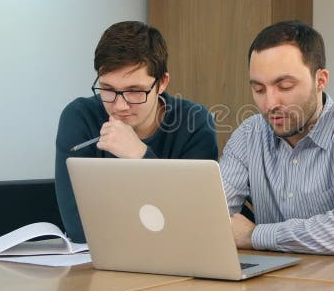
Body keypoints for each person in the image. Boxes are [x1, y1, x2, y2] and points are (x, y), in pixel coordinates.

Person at [220, 20, 334, 256]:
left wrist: (254, 235)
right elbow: (210, 219)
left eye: (285, 86)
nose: (270, 103)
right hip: (277, 278)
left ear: (320, 80)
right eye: (259, 89)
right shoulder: (248, 135)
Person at [55, 21, 218, 243]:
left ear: (162, 83)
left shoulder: (195, 122)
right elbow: (79, 228)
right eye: (108, 89)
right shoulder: (79, 117)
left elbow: (192, 222)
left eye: (134, 91)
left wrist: (140, 155)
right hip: (97, 259)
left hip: (174, 256)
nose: (120, 106)